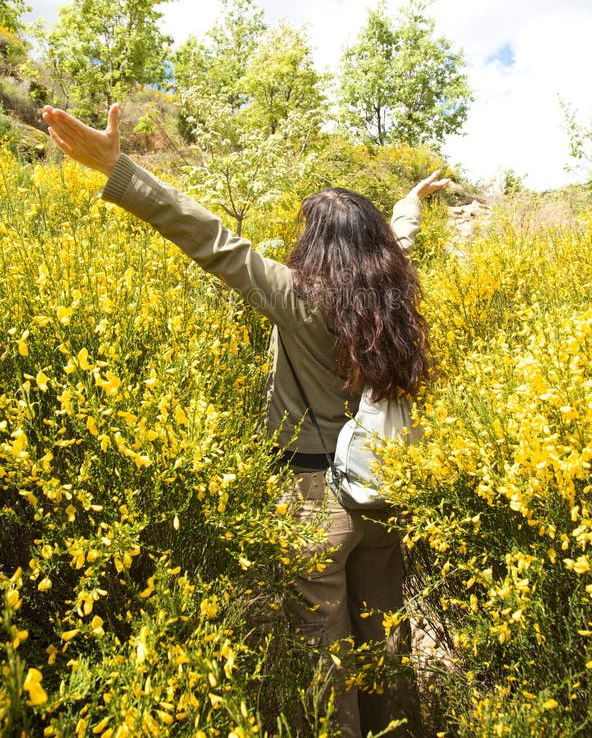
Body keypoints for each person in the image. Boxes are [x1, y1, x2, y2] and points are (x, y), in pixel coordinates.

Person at [42, 103, 448, 737]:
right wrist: (409, 203)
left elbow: (207, 236)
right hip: (384, 492)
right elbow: (400, 243)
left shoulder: (295, 295)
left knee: (326, 656)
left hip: (312, 499)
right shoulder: (390, 293)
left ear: (315, 244)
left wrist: (118, 167)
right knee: (383, 639)